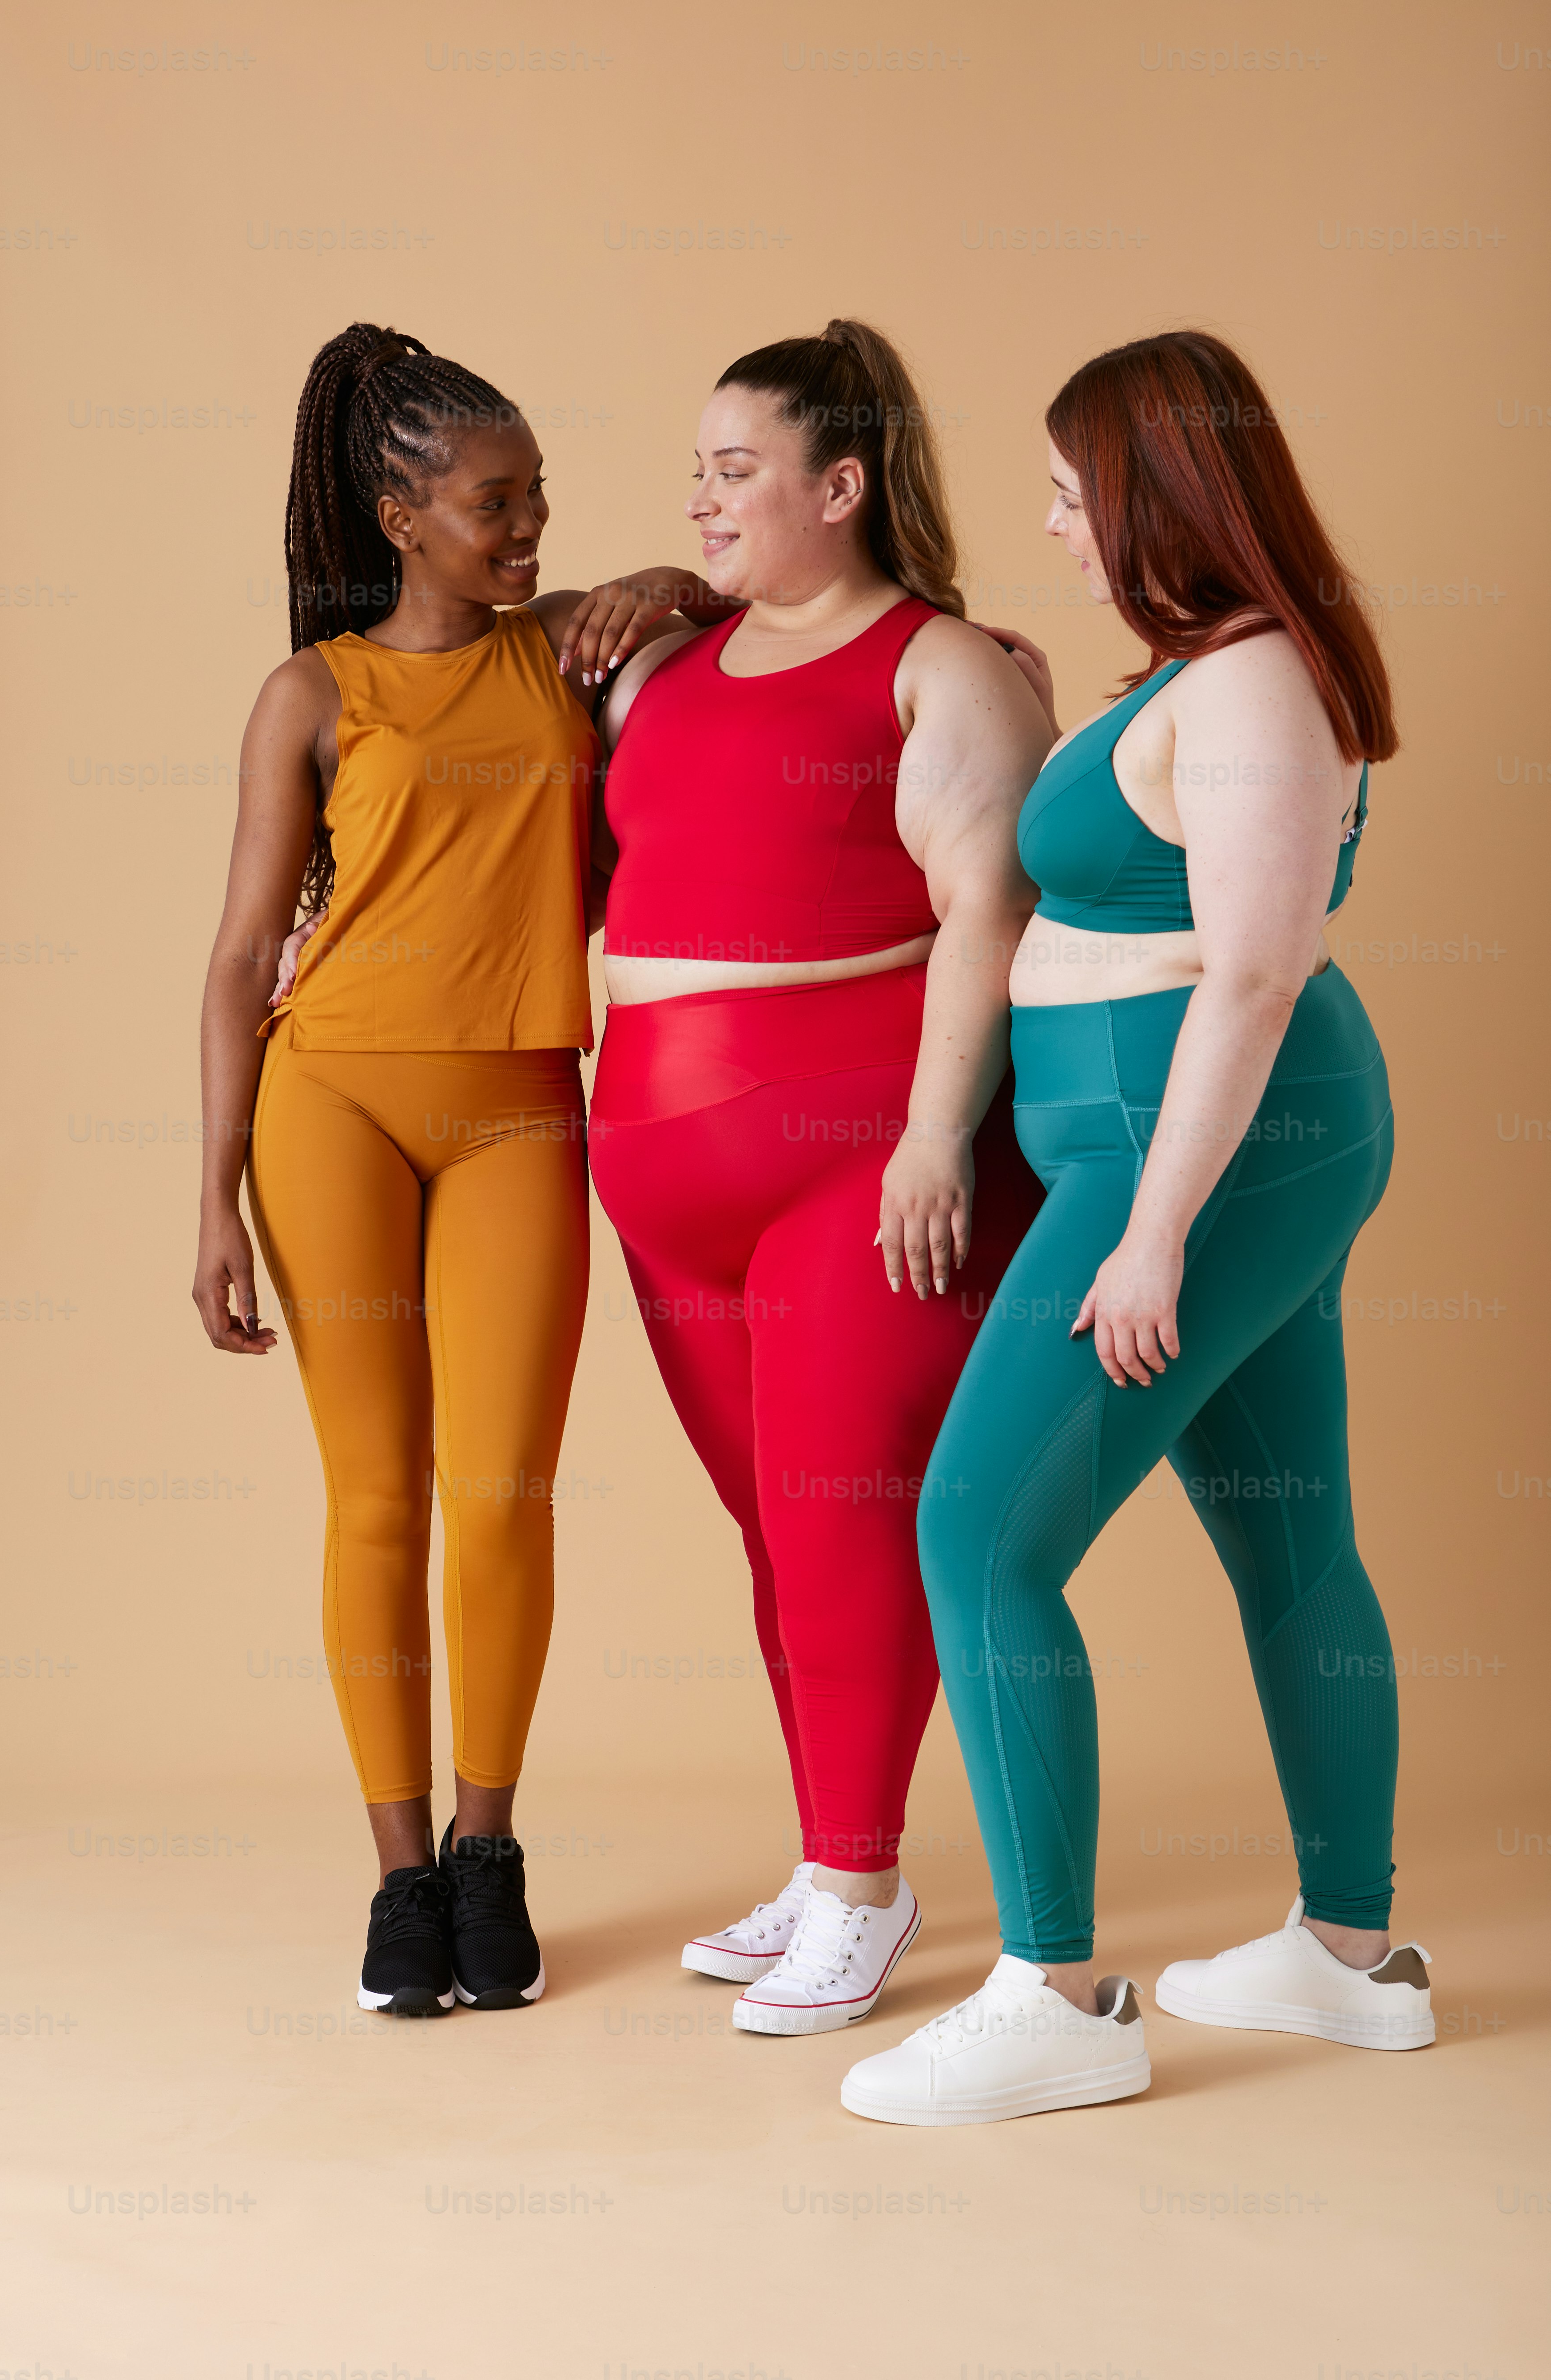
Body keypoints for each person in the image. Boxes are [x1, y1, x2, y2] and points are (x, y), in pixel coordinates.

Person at [842, 330, 1436, 2126]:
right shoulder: (1204, 676)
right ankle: (1350, 1956)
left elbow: (1254, 968)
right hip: (1210, 1144)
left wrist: (1156, 1226)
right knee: (1291, 1540)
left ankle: (1058, 1988)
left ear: (1156, 487)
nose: (1052, 518)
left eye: (1067, 487)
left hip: (1213, 1150)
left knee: (976, 1524)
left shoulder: (1253, 680)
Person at [193, 323, 716, 2018]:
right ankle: (399, 1876)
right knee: (378, 1495)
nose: (530, 525)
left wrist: (659, 576)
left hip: (520, 1109)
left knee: (502, 1493)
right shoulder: (311, 693)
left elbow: (717, 618)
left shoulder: (562, 649)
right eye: (498, 501)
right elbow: (235, 959)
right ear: (400, 512)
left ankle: (491, 1849)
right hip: (327, 1099)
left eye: (542, 495)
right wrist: (211, 1195)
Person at [577, 321, 1054, 2038]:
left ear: (838, 487)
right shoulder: (666, 670)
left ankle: (858, 1883)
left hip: (857, 1167)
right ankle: (827, 1857)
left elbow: (991, 907)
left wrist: (936, 1138)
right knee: (776, 1536)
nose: (699, 499)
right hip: (664, 1183)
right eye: (694, 470)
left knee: (848, 1527)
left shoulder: (942, 667)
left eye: (734, 471)